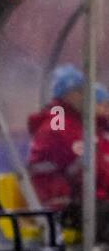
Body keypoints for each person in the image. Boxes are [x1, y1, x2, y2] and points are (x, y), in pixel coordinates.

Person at [27, 64, 109, 239]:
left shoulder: (75, 121)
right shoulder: (59, 123)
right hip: (61, 205)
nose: (88, 96)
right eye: (82, 91)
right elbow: (87, 169)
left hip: (78, 200)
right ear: (69, 94)